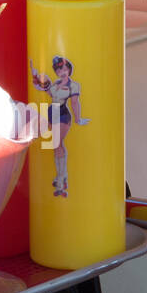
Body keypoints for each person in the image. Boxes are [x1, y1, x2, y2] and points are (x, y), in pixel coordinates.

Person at [30, 56, 89, 198]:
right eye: (58, 69)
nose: (62, 71)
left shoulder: (73, 85)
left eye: (64, 68)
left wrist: (78, 119)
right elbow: (50, 94)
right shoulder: (56, 83)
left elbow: (75, 102)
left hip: (62, 113)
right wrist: (38, 79)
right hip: (52, 111)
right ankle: (60, 177)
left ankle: (61, 179)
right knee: (55, 145)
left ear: (68, 68)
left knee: (57, 143)